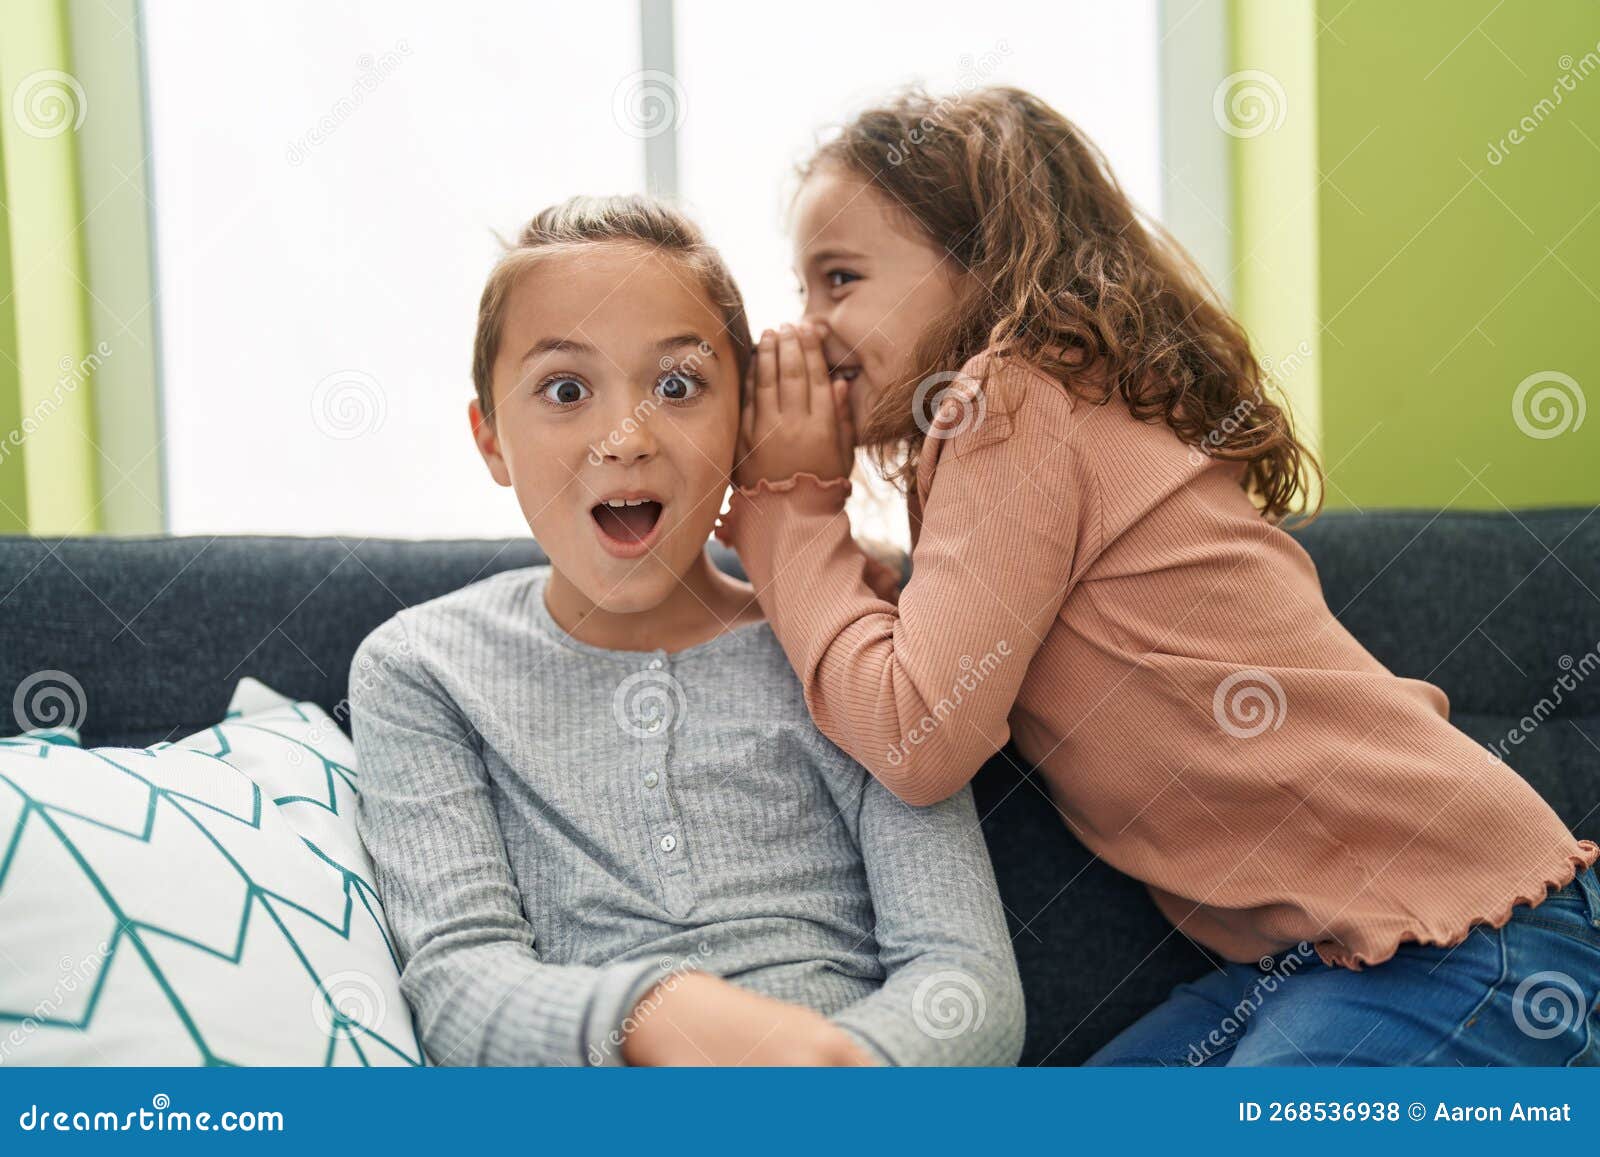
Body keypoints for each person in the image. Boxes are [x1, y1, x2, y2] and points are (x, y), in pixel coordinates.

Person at [715, 86, 1600, 1066]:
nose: (804, 329)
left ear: (982, 264)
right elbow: (941, 652)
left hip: (1458, 931)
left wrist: (788, 507)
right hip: (1328, 956)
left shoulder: (1010, 396)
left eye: (837, 279)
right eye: (800, 290)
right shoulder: (1035, 414)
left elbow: (917, 732)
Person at [348, 194, 1023, 1067]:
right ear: (491, 440)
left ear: (745, 423)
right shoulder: (421, 668)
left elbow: (966, 977)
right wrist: (653, 1014)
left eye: (677, 386)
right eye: (565, 389)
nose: (625, 438)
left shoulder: (848, 643)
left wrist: (838, 1073)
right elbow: (458, 985)